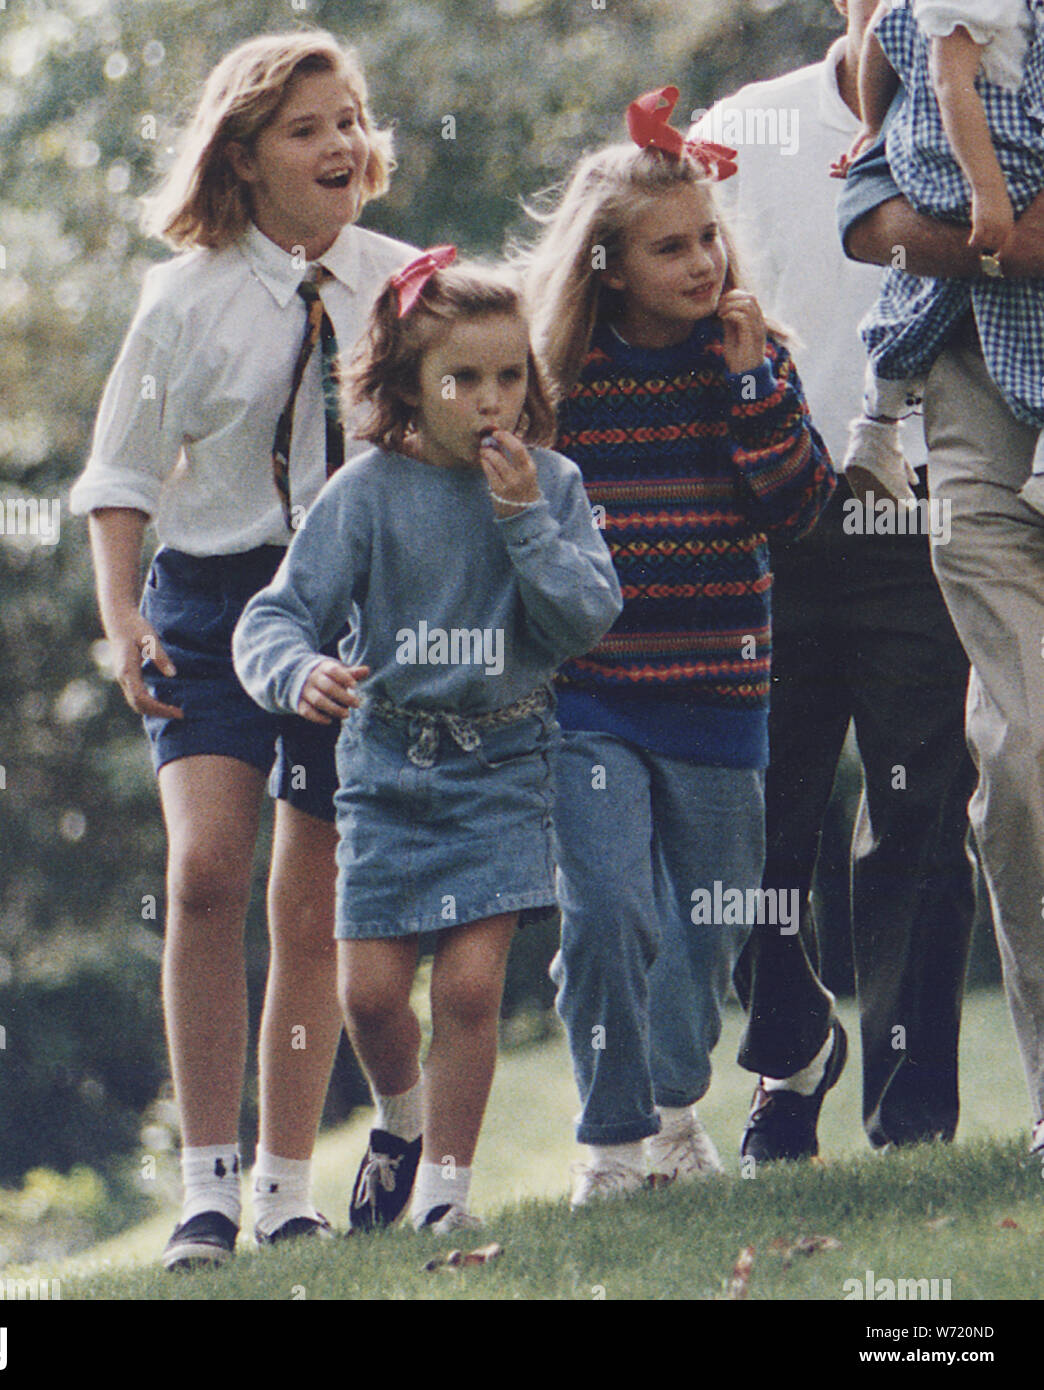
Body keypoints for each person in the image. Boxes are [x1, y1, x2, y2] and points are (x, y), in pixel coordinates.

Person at [69, 30, 415, 1269]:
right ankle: (205, 1189)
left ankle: (285, 1186)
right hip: (211, 605)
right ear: (245, 155)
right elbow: (118, 477)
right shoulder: (184, 296)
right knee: (208, 867)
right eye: (307, 126)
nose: (341, 144)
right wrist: (124, 623)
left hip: (341, 609)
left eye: (352, 120)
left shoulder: (401, 284)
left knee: (306, 898)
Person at [232, 252, 622, 1234]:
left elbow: (587, 618)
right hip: (387, 773)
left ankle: (445, 1194)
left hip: (502, 767)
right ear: (409, 383)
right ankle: (400, 1118)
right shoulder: (367, 494)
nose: (492, 399)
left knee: (471, 984)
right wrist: (299, 673)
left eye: (508, 376)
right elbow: (274, 617)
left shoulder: (553, 484)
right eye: (463, 379)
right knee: (367, 996)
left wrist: (525, 520)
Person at [520, 88, 836, 1206]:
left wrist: (755, 385)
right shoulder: (557, 384)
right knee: (607, 912)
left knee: (706, 931)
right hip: (593, 694)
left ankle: (672, 1110)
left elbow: (796, 510)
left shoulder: (753, 360)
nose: (702, 262)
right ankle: (611, 1146)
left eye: (708, 237)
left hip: (719, 692)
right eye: (671, 247)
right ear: (608, 264)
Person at [691, 0, 976, 1160]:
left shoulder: (994, 127)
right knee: (758, 821)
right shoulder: (744, 130)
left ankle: (910, 1119)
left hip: (925, 514)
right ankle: (791, 1057)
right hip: (765, 524)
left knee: (913, 816)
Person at [841, 30, 1044, 1162]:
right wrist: (1004, 234)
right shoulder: (943, 28)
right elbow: (872, 218)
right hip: (974, 417)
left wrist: (993, 232)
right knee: (1022, 761)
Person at [833, 0, 1044, 509]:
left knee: (911, 303)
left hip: (932, 170)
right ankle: (1040, 470)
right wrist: (988, 192)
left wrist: (872, 125)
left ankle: (876, 428)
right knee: (1026, 314)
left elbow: (880, 40)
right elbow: (952, 85)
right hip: (991, 169)